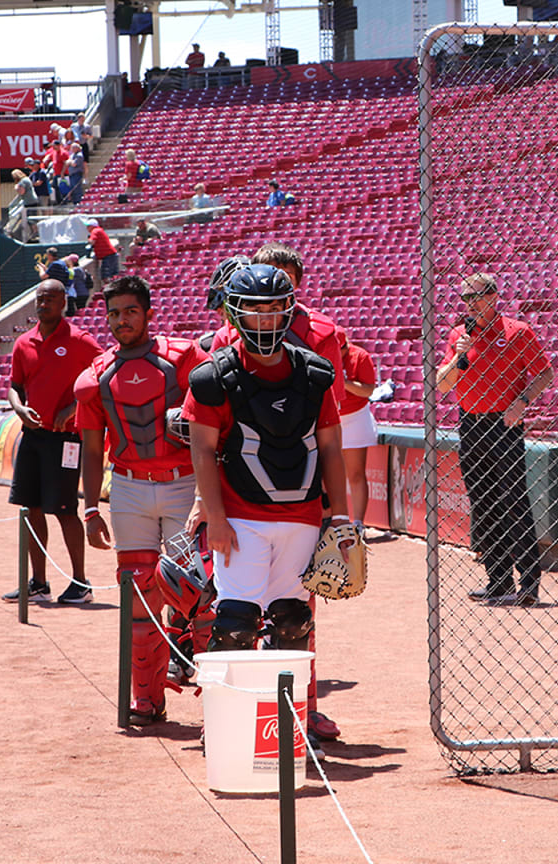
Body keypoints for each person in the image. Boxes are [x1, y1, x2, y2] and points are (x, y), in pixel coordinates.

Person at [182, 264, 351, 749]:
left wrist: (339, 518)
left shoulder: (314, 374)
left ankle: (286, 731)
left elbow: (331, 449)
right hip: (240, 519)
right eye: (254, 310)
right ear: (235, 313)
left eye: (275, 308)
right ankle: (226, 726)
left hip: (300, 518)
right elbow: (202, 451)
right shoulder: (215, 377)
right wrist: (214, 516)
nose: (266, 319)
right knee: (235, 622)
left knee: (293, 622)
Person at [74, 274, 206, 724]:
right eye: (113, 313)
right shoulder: (95, 377)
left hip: (183, 484)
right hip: (127, 487)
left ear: (149, 313)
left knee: (200, 591)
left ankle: (219, 701)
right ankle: (147, 698)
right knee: (137, 594)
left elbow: (214, 423)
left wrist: (209, 494)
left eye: (130, 310)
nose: (121, 320)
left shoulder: (186, 358)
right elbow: (92, 450)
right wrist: (90, 508)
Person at [437, 272, 553, 607]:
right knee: (483, 501)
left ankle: (528, 583)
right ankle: (498, 579)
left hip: (504, 424)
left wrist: (522, 403)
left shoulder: (518, 332)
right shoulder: (460, 335)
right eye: (466, 299)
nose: (471, 304)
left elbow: (545, 373)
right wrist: (462, 352)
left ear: (493, 297)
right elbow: (443, 385)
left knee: (513, 500)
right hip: (470, 424)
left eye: (476, 296)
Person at [4, 279, 103, 605]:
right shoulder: (24, 343)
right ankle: (39, 582)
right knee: (30, 507)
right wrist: (19, 408)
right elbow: (14, 386)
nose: (43, 303)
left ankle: (80, 582)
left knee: (64, 510)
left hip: (66, 440)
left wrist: (75, 406)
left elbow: (105, 371)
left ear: (64, 303)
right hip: (32, 436)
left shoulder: (79, 341)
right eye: (40, 297)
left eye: (50, 298)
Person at [337, 331, 379, 535]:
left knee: (355, 473)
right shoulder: (323, 356)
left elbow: (368, 390)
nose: (340, 353)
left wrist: (343, 383)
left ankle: (358, 523)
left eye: (342, 348)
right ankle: (331, 521)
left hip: (355, 415)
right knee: (328, 474)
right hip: (331, 416)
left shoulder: (359, 356)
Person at [87, 219, 120, 285]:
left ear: (92, 226)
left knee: (106, 277)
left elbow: (92, 241)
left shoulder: (95, 231)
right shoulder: (100, 230)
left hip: (108, 257)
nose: (87, 228)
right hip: (111, 255)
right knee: (113, 277)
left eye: (88, 226)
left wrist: (88, 240)